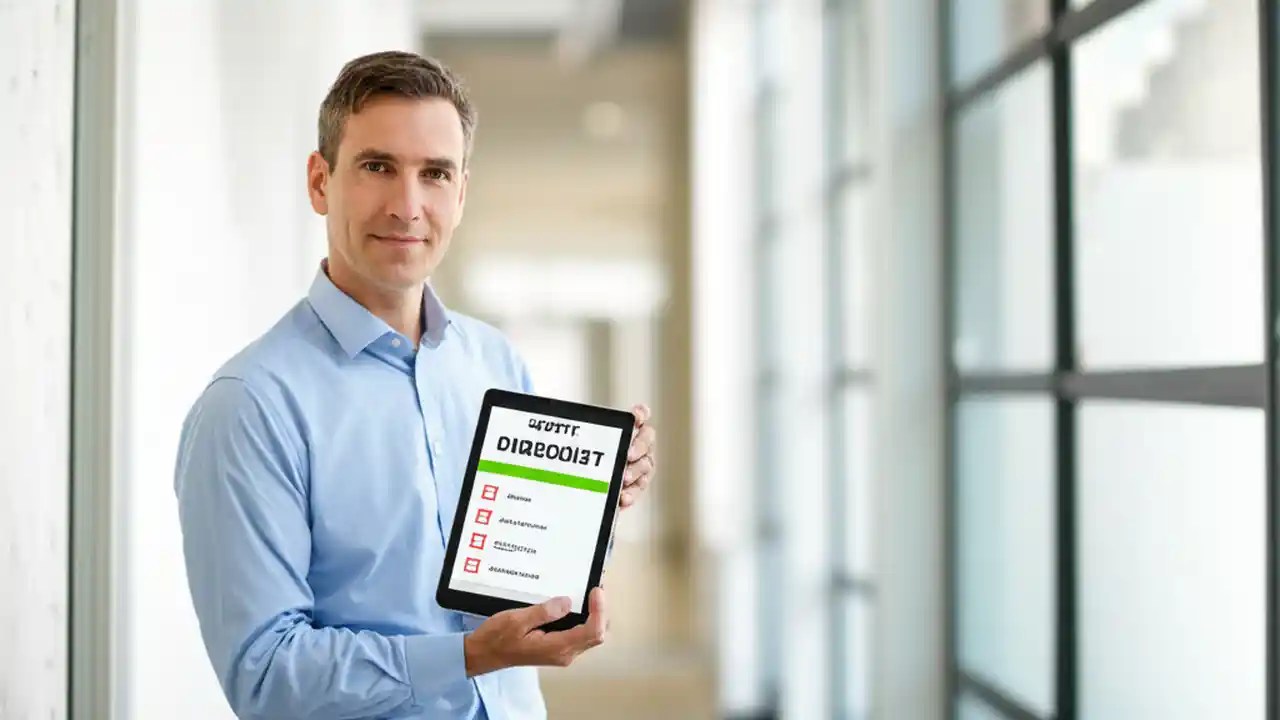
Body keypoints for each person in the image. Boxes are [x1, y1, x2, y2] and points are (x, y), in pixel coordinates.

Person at [173, 50, 657, 720]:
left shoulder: (495, 363)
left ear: (460, 194)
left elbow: (515, 579)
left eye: (435, 174)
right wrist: (465, 658)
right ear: (320, 182)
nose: (407, 206)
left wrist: (592, 500)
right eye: (377, 167)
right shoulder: (251, 406)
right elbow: (266, 676)